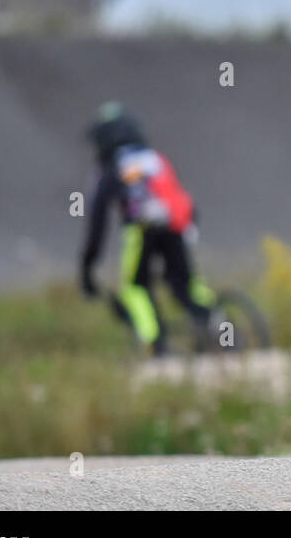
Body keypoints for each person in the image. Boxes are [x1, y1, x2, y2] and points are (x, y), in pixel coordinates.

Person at [79, 102, 216, 356]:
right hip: (175, 227)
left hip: (141, 229)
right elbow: (180, 197)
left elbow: (97, 221)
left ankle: (157, 346)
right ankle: (219, 324)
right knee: (186, 284)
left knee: (135, 288)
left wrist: (87, 266)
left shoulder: (112, 167)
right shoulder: (154, 159)